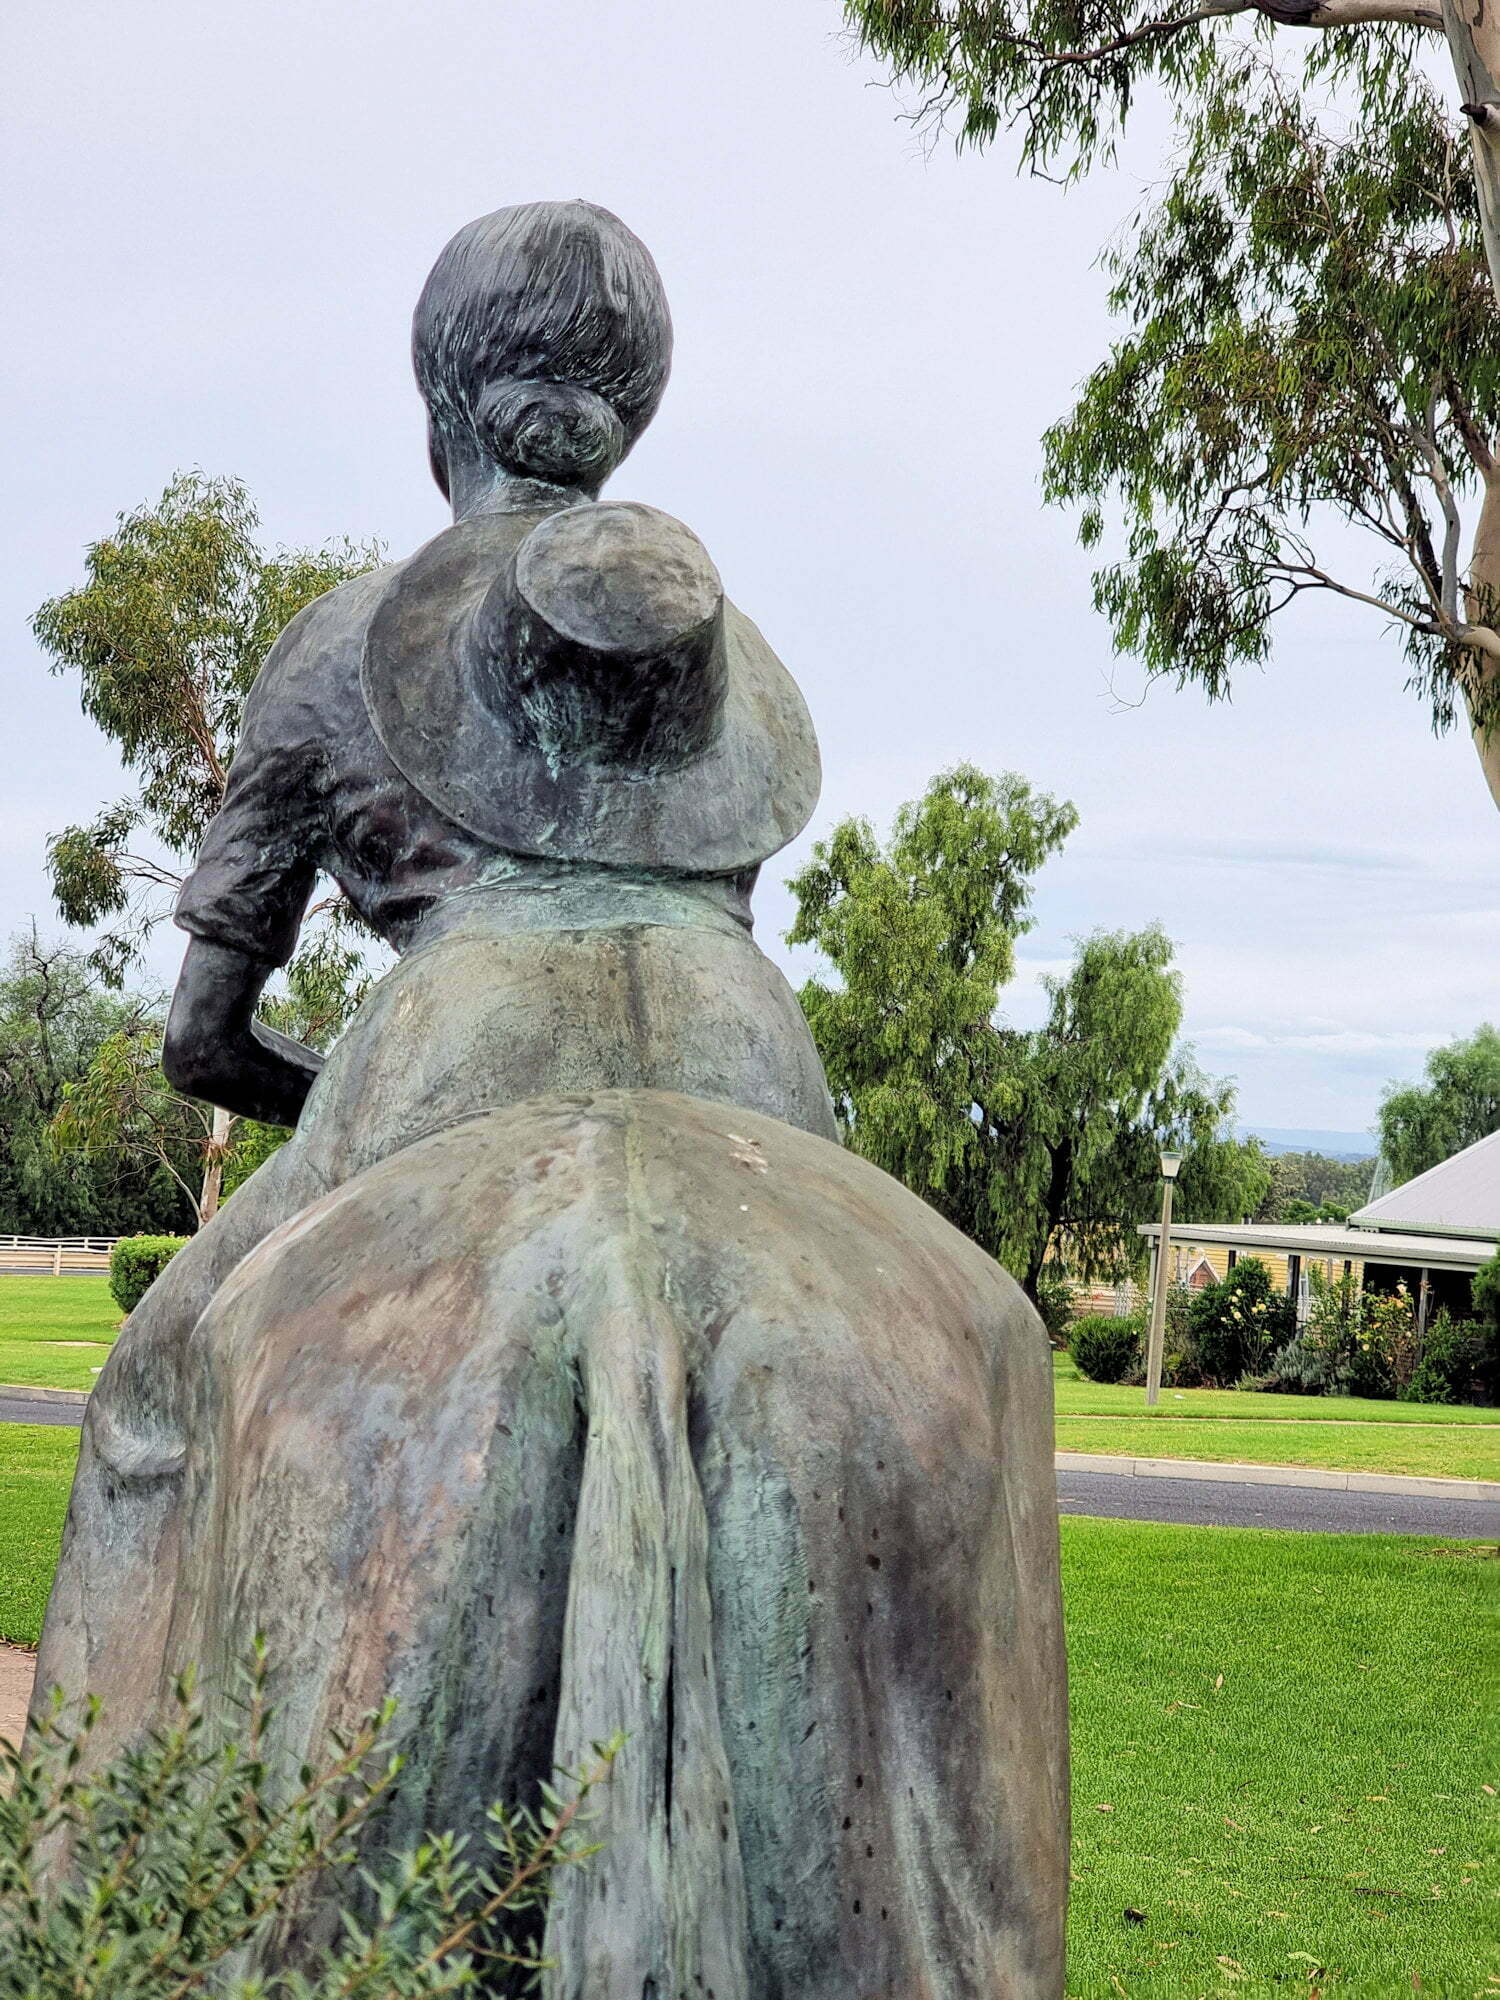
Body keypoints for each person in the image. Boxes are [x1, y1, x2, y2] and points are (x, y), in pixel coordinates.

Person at [32, 202, 1067, 1999]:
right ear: (629, 413)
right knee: (979, 1332)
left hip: (453, 1045)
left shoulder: (339, 640)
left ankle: (92, 1910)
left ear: (441, 396)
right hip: (740, 1051)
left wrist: (338, 1128)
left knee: (153, 1410)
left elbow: (204, 1038)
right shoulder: (701, 644)